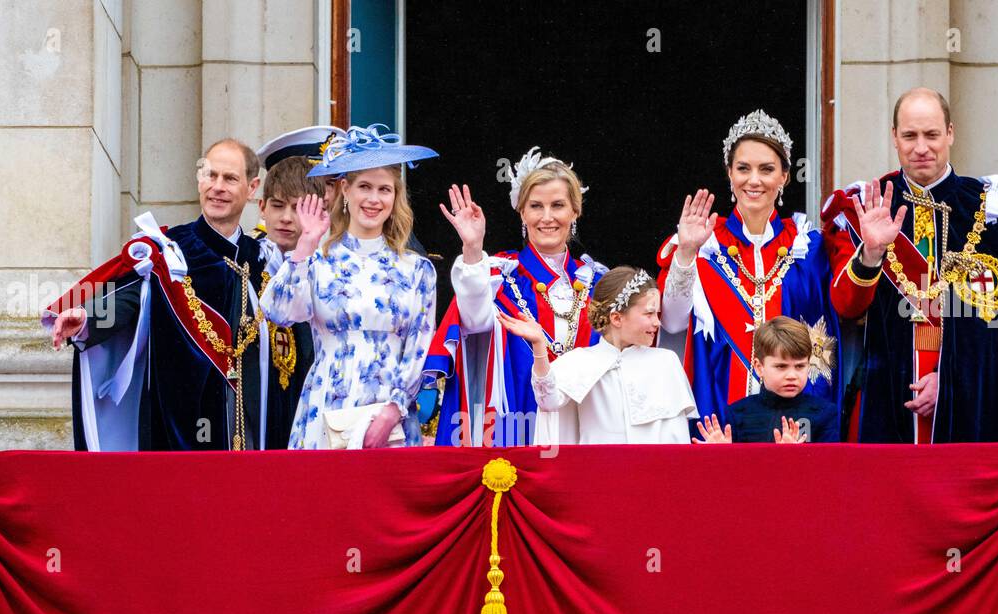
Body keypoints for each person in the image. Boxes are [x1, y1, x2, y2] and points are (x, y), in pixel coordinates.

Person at [821, 87, 998, 443]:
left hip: (971, 400)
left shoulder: (992, 210)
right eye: (910, 135)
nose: (921, 147)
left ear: (951, 133)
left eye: (932, 135)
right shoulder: (865, 205)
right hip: (886, 393)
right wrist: (872, 253)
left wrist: (953, 380)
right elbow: (846, 308)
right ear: (894, 137)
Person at [45, 138, 275, 451]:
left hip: (248, 425)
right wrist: (87, 318)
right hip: (180, 423)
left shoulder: (263, 260)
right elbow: (130, 298)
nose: (217, 187)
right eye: (211, 175)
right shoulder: (170, 249)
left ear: (252, 188)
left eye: (230, 178)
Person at [657, 110, 846, 436]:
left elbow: (826, 335)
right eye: (743, 168)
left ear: (785, 176)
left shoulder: (808, 247)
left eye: (767, 169)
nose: (754, 180)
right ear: (729, 173)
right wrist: (686, 252)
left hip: (793, 419)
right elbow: (672, 323)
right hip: (719, 410)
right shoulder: (705, 243)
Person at [259, 125, 438, 449]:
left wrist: (393, 410)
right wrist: (305, 247)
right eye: (364, 187)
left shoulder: (417, 270)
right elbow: (277, 311)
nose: (373, 199)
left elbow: (421, 348)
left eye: (384, 189)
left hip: (392, 418)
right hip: (326, 406)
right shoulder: (318, 260)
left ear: (395, 197)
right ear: (345, 190)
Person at [426, 148, 609, 447]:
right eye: (536, 206)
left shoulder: (598, 283)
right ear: (522, 212)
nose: (547, 217)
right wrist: (473, 250)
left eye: (558, 205)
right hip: (519, 426)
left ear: (575, 212)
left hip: (588, 428)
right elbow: (473, 320)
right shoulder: (502, 276)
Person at [498, 266, 728, 445]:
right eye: (649, 314)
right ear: (617, 318)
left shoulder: (666, 362)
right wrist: (539, 345)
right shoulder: (578, 361)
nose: (657, 322)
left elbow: (676, 439)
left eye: (657, 314)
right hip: (599, 484)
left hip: (654, 487)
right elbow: (547, 402)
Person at [253, 154, 331, 447]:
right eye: (277, 205)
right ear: (262, 208)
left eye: (298, 208)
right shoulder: (243, 263)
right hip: (256, 408)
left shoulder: (327, 270)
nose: (286, 218)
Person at [724, 317, 838, 443]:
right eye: (781, 366)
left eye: (800, 366)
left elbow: (829, 462)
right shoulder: (737, 414)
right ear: (759, 367)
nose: (792, 375)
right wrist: (717, 453)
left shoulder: (824, 413)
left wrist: (793, 456)